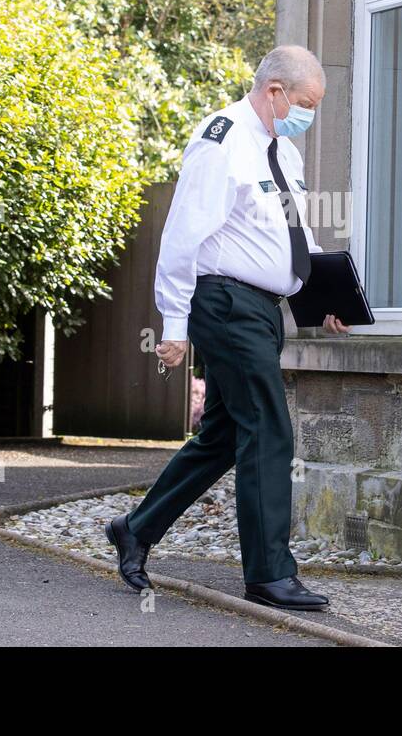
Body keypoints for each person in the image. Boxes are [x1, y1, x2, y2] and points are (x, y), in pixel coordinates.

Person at [105, 45, 349, 611]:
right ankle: (268, 575)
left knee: (221, 436)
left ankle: (136, 529)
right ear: (274, 92)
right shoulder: (221, 141)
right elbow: (183, 236)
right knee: (268, 429)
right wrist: (173, 324)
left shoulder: (284, 154)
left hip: (264, 310)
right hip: (225, 304)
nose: (308, 116)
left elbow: (295, 239)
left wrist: (324, 295)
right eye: (306, 104)